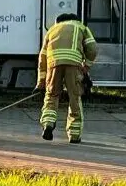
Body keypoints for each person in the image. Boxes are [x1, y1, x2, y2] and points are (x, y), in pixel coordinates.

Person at [36, 12, 97, 143]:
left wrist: (41, 82)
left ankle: (48, 123)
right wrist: (87, 65)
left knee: (51, 95)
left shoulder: (52, 30)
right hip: (73, 64)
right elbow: (92, 48)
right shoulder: (81, 27)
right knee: (74, 97)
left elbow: (42, 58)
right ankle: (74, 135)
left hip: (53, 64)